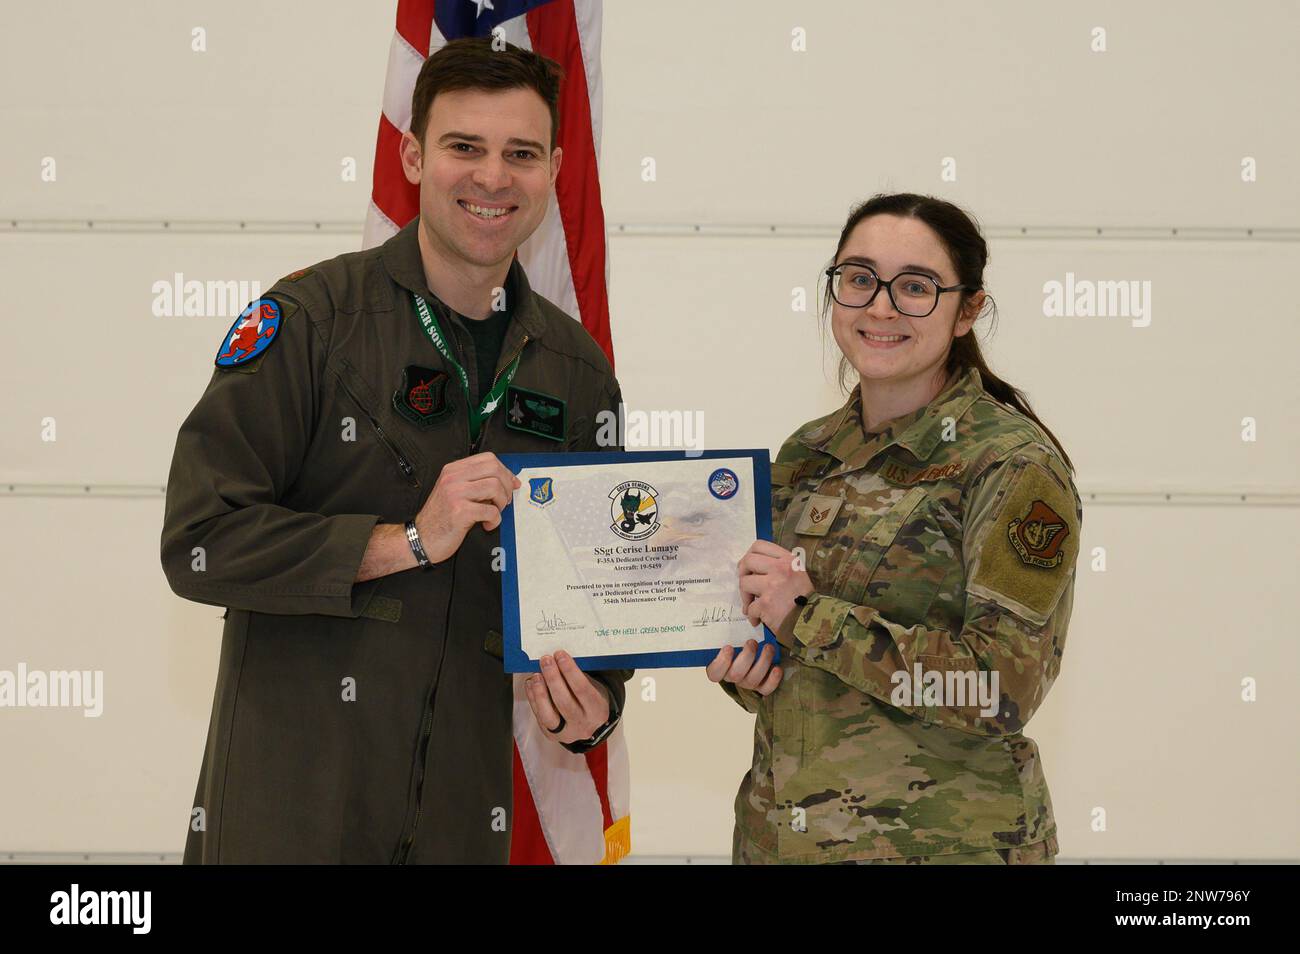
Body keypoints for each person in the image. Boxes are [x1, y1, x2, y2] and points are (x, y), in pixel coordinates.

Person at [161, 37, 630, 864]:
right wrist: (405, 541)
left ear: (555, 168)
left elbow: (596, 593)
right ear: (413, 155)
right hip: (291, 814)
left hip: (463, 816)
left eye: (521, 153)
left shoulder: (577, 369)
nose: (493, 177)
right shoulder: (311, 322)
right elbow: (200, 542)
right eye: (464, 148)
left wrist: (594, 702)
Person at [708, 192, 1082, 865]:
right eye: (859, 279)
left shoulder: (1012, 465)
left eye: (915, 287)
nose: (880, 306)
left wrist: (809, 618)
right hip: (782, 844)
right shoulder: (807, 453)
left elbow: (1000, 688)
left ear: (967, 309)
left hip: (945, 846)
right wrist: (748, 662)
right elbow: (790, 656)